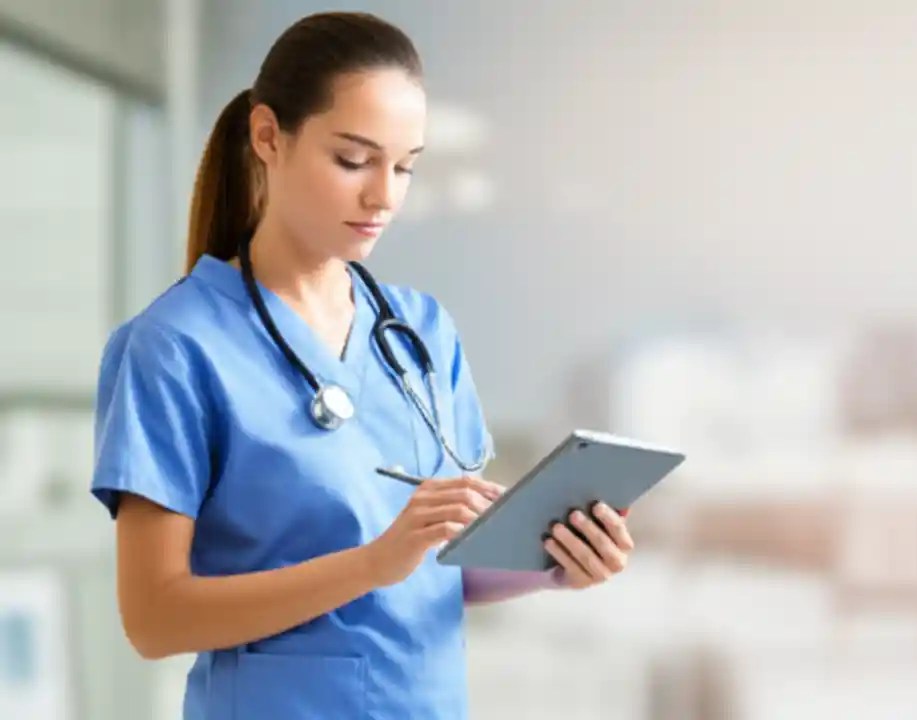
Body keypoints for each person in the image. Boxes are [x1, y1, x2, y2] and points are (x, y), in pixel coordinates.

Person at [90, 11, 634, 719]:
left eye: (405, 166)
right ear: (267, 138)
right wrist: (372, 563)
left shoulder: (422, 332)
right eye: (353, 160)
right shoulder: (174, 347)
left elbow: (439, 570)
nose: (384, 196)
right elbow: (154, 619)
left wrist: (557, 564)